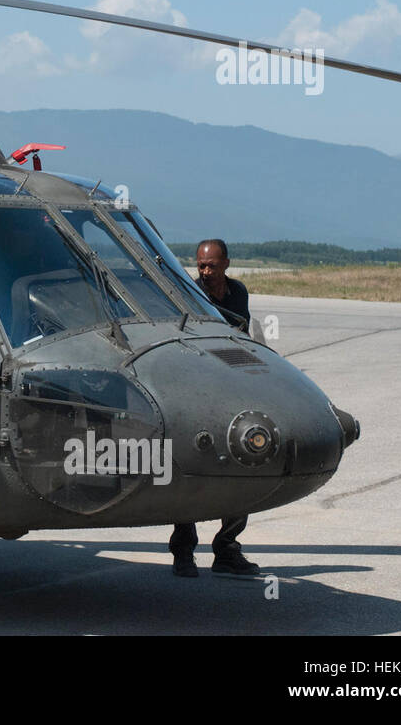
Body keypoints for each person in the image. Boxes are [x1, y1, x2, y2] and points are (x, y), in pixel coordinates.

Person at [170, 238, 261, 578]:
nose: (205, 272)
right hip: (198, 390)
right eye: (201, 265)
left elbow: (242, 334)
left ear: (226, 264)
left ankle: (226, 549)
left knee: (243, 468)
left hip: (232, 388)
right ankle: (183, 551)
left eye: (211, 265)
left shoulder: (238, 293)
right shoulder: (188, 294)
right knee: (192, 468)